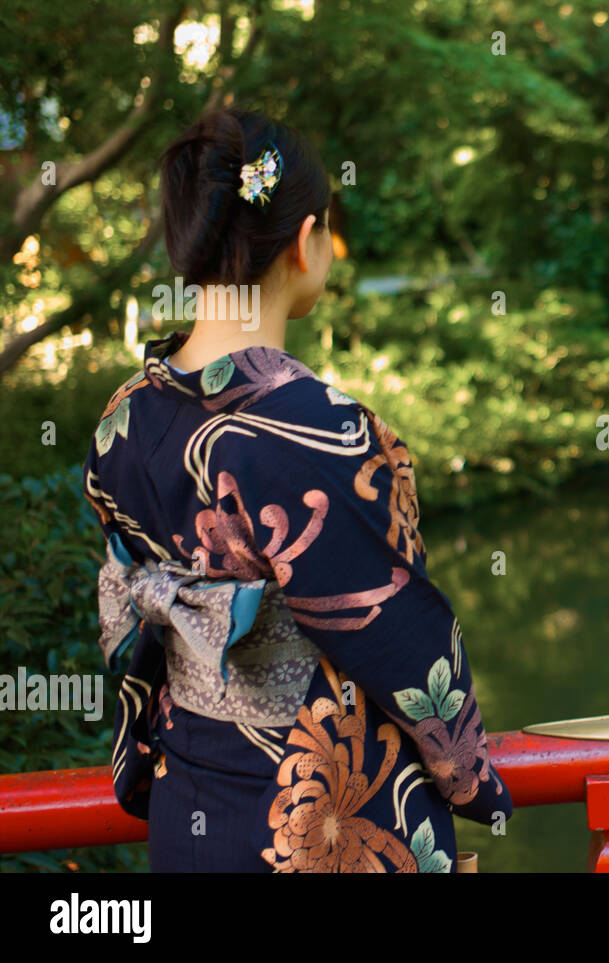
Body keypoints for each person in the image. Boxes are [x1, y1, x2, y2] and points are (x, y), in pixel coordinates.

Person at [82, 108, 512, 872]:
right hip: (315, 820)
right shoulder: (326, 431)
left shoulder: (124, 417)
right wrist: (473, 780)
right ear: (306, 238)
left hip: (189, 808)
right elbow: (401, 639)